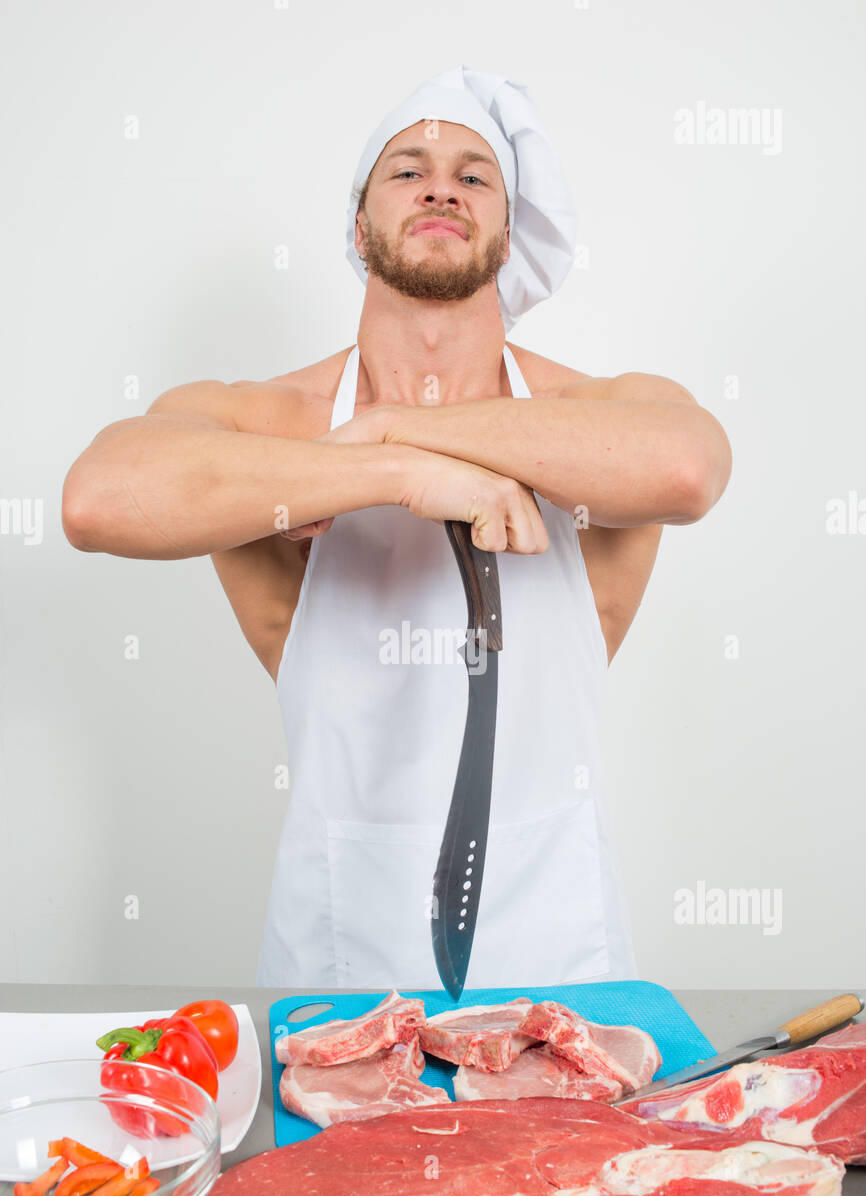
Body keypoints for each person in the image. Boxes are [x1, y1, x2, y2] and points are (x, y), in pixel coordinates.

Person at [62, 67, 731, 991]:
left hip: (566, 976)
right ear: (358, 223)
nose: (441, 186)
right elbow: (98, 499)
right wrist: (396, 471)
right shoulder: (276, 423)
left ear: (509, 230)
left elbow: (687, 467)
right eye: (407, 169)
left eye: (474, 173)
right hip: (340, 977)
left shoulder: (595, 418)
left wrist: (392, 424)